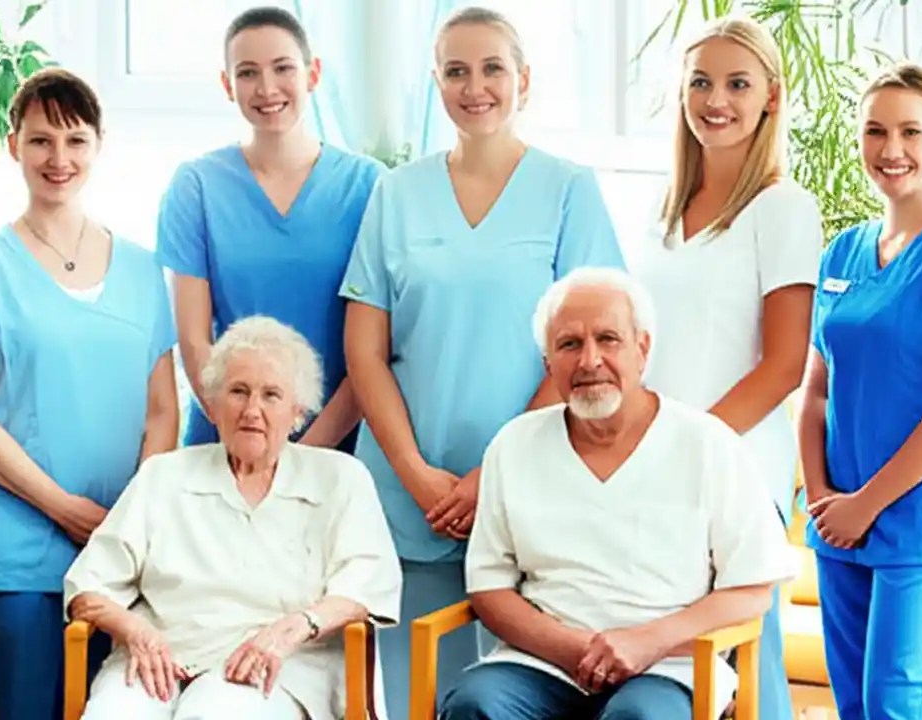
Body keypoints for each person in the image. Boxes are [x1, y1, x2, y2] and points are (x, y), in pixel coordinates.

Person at [340, 6, 624, 715]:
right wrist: (415, 474)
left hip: (530, 481)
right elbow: (365, 349)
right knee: (418, 694)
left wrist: (489, 472)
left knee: (515, 696)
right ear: (435, 83)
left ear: (524, 79)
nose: (476, 87)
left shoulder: (568, 190)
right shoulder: (395, 192)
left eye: (493, 67)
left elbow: (589, 350)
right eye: (456, 71)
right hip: (413, 492)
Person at [0, 68, 179, 720]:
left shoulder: (145, 268)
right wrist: (67, 509)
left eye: (74, 139)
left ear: (98, 145)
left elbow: (161, 412)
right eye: (40, 141)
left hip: (121, 550)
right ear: (13, 146)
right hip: (16, 553)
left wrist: (129, 523)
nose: (58, 159)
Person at [439, 267, 793, 720]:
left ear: (642, 349)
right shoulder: (514, 445)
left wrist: (648, 641)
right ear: (548, 363)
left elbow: (751, 591)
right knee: (475, 707)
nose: (589, 361)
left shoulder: (709, 444)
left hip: (670, 666)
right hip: (543, 664)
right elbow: (490, 588)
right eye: (569, 344)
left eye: (608, 339)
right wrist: (576, 650)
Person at [627, 18, 823, 720]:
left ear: (771, 96)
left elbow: (782, 366)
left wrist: (685, 448)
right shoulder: (661, 212)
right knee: (673, 674)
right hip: (652, 473)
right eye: (701, 81)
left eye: (738, 83)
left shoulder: (784, 209)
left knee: (746, 663)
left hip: (732, 471)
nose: (717, 99)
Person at [63, 316, 401, 720]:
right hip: (160, 656)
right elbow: (88, 588)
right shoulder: (164, 475)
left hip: (283, 664)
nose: (252, 410)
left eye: (271, 395)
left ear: (298, 412)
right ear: (214, 404)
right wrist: (136, 632)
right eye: (238, 391)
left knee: (214, 713)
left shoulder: (340, 478)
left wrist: (291, 629)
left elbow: (364, 587)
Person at [798, 62, 922, 719]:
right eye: (875, 131)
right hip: (838, 525)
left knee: (893, 706)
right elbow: (814, 390)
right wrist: (821, 497)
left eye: (909, 131)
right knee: (855, 707)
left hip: (920, 529)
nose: (890, 149)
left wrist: (867, 503)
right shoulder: (841, 253)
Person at [157, 6, 384, 451]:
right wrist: (247, 439)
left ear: (312, 74)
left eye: (282, 68)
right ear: (227, 85)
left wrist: (302, 456)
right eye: (247, 73)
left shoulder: (368, 186)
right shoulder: (197, 186)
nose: (266, 88)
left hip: (338, 442)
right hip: (224, 438)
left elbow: (372, 348)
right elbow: (193, 340)